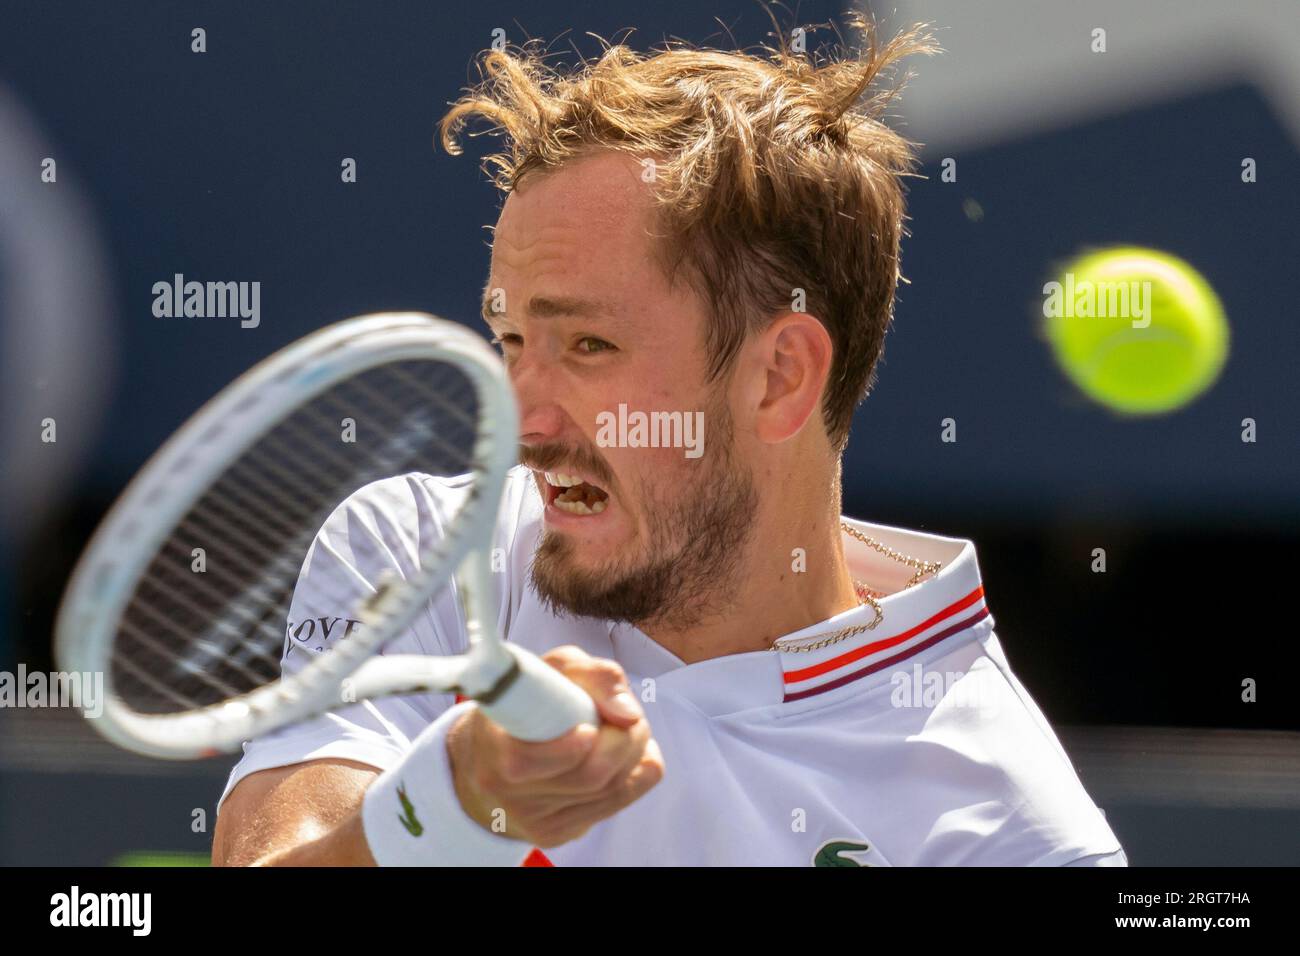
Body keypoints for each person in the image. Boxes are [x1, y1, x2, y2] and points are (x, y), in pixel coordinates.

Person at [212, 20, 1126, 866]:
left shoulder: (1016, 834)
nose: (520, 423)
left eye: (589, 347)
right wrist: (451, 802)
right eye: (514, 341)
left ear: (780, 377)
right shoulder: (421, 549)